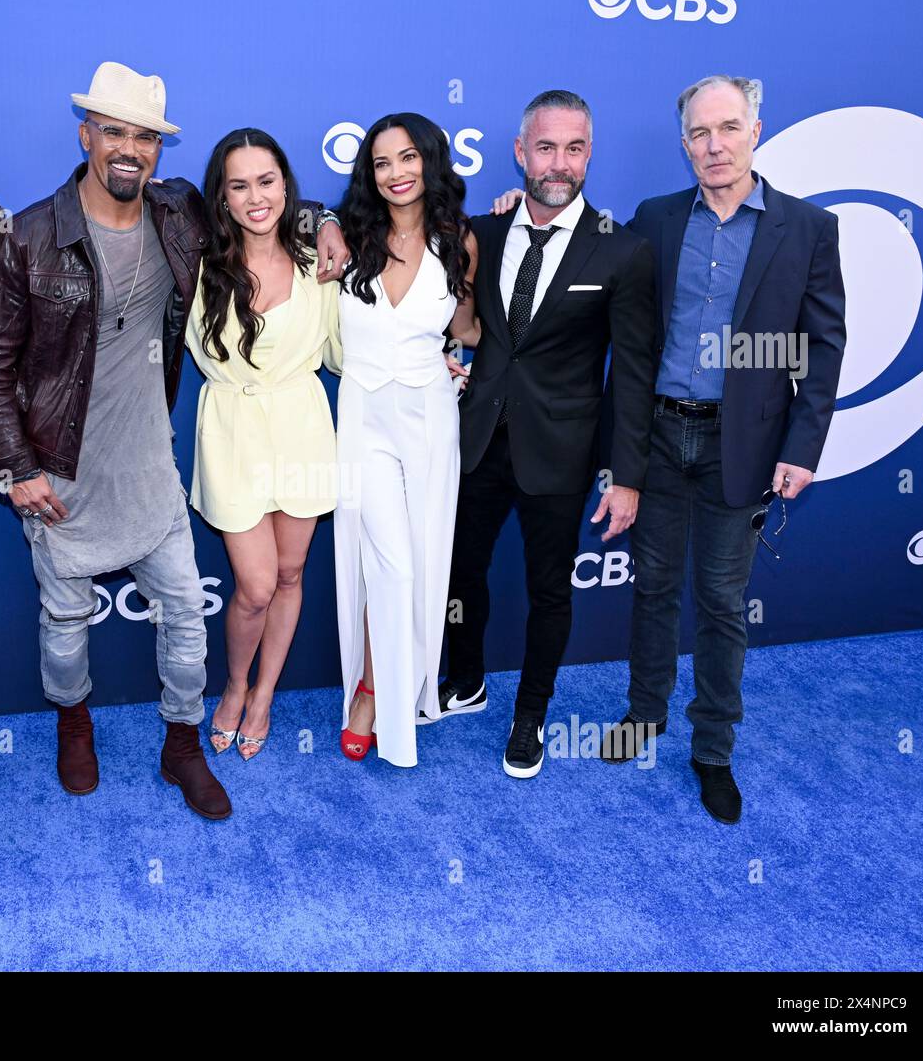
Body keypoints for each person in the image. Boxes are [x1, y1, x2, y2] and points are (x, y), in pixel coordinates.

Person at [0, 62, 347, 816]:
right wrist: (16, 466)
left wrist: (323, 219)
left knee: (185, 616)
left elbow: (268, 209)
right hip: (61, 471)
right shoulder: (30, 235)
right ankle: (73, 725)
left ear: (159, 151)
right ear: (86, 135)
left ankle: (182, 746)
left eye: (145, 135)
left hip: (148, 469)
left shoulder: (179, 215)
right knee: (65, 626)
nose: (129, 148)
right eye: (114, 131)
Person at [599, 75, 845, 823]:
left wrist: (804, 445)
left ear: (756, 132)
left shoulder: (807, 228)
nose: (714, 145)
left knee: (720, 601)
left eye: (728, 129)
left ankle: (712, 753)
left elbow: (822, 345)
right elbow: (632, 343)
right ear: (684, 144)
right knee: (652, 589)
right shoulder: (656, 220)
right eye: (700, 133)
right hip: (659, 433)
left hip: (742, 444)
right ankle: (645, 714)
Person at [439, 90, 657, 781]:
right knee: (460, 573)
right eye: (544, 147)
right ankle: (466, 679)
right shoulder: (484, 230)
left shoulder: (622, 252)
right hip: (476, 440)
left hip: (562, 453)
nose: (557, 163)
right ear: (519, 152)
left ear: (589, 154)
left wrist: (626, 476)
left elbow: (633, 372)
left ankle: (531, 713)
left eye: (572, 148)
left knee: (550, 591)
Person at [185, 129, 341, 761]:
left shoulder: (320, 263)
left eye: (267, 181)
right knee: (253, 585)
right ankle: (231, 687)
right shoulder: (196, 262)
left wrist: (429, 362)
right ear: (220, 196)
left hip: (301, 425)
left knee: (290, 572)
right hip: (231, 430)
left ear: (287, 186)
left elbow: (343, 351)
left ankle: (264, 695)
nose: (256, 197)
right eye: (239, 185)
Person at [331, 112, 479, 768]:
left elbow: (469, 329)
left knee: (420, 563)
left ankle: (395, 686)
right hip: (362, 413)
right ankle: (371, 697)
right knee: (385, 562)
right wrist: (322, 223)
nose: (396, 173)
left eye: (409, 157)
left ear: (431, 162)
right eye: (382, 161)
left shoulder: (461, 242)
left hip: (429, 412)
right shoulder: (345, 239)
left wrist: (462, 362)